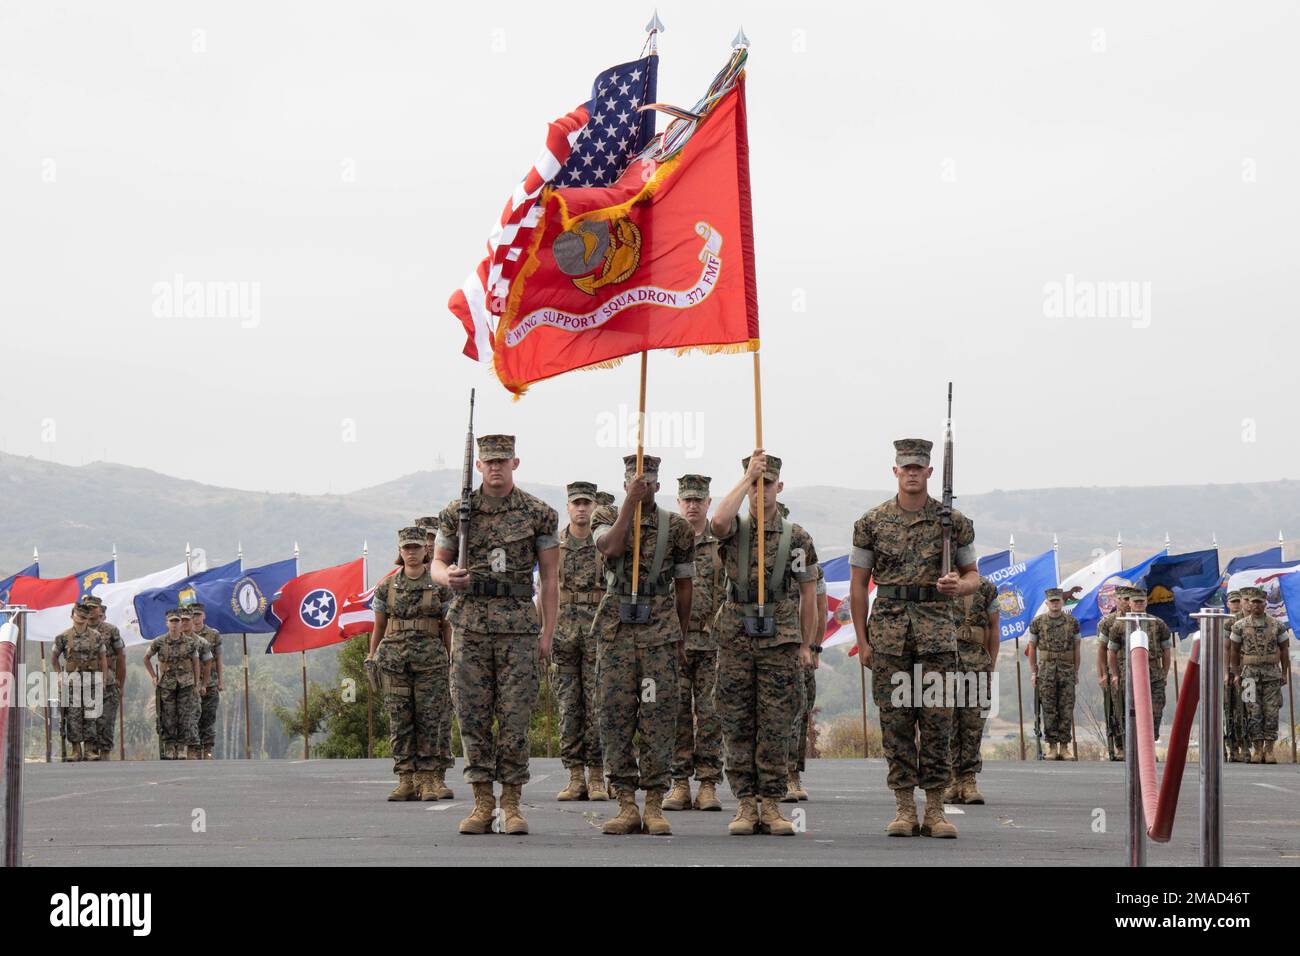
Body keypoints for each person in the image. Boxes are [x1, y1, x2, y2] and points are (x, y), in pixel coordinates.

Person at [851, 438, 978, 839]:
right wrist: (863, 640)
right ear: (895, 471)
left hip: (937, 633)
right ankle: (905, 808)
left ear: (928, 473)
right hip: (889, 635)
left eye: (917, 467)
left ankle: (936, 810)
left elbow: (974, 574)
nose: (911, 472)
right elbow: (857, 588)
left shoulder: (953, 523)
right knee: (897, 722)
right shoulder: (870, 522)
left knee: (938, 721)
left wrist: (959, 585)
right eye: (904, 466)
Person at [432, 434, 559, 835]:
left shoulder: (538, 513)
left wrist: (548, 633)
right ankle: (482, 802)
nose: (495, 467)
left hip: (519, 627)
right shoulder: (457, 512)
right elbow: (438, 562)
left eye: (502, 460)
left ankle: (512, 803)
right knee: (472, 715)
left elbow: (552, 580)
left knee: (515, 717)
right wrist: (447, 577)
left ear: (515, 463)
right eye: (489, 461)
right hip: (469, 624)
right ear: (478, 466)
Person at [710, 451, 818, 836]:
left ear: (779, 487)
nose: (760, 492)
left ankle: (770, 803)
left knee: (775, 723)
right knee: (736, 719)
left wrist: (808, 645)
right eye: (754, 485)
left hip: (779, 638)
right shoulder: (735, 528)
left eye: (766, 484)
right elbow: (717, 521)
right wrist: (745, 479)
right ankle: (744, 803)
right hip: (736, 636)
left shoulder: (797, 537)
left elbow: (808, 593)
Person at [591, 455, 694, 835]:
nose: (644, 485)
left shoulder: (677, 528)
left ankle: (653, 802)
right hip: (616, 629)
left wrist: (680, 635)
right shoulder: (608, 516)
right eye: (637, 481)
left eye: (649, 480)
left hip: (658, 630)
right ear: (625, 484)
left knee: (658, 717)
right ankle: (624, 803)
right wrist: (629, 506)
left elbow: (685, 586)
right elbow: (611, 548)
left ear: (659, 484)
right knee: (615, 715)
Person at [369, 527, 455, 801]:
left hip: (431, 663)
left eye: (416, 547)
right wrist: (372, 658)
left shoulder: (439, 585)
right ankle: (406, 779)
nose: (411, 552)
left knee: (430, 721)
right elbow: (379, 626)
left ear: (426, 550)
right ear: (400, 550)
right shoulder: (387, 586)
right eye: (406, 548)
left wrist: (452, 659)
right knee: (400, 721)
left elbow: (447, 626)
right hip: (395, 663)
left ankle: (429, 780)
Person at [664, 473, 724, 812]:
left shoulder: (721, 540)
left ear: (708, 503)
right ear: (678, 502)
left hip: (713, 641)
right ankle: (679, 783)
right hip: (676, 639)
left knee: (711, 713)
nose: (692, 505)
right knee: (676, 712)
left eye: (698, 500)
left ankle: (708, 784)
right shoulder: (671, 539)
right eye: (687, 499)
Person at [552, 481, 608, 802]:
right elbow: (545, 591)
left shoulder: (603, 545)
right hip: (563, 637)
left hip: (597, 635)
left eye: (587, 502)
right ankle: (575, 775)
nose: (582, 508)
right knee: (568, 706)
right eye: (577, 503)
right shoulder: (555, 546)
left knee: (597, 705)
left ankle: (597, 774)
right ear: (569, 507)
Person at [782, 502, 825, 804]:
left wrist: (813, 646)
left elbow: (818, 606)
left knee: (797, 711)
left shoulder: (801, 557)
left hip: (798, 643)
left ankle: (791, 773)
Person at [946, 575, 999, 803]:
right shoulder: (938, 583)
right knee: (945, 722)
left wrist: (991, 664)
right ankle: (951, 779)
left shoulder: (987, 588)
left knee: (973, 723)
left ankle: (968, 780)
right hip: (943, 662)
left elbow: (993, 627)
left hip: (976, 662)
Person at [1230, 586, 1291, 764]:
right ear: (1249, 604)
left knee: (1271, 712)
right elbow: (1234, 651)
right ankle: (1257, 749)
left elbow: (1285, 651)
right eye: (1253, 602)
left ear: (1265, 604)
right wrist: (1236, 674)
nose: (1256, 606)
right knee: (1253, 712)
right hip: (1249, 675)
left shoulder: (1277, 625)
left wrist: (1285, 672)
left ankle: (1269, 750)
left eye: (1259, 603)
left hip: (1272, 675)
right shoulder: (1239, 626)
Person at [1106, 587, 1171, 743]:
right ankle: (1132, 746)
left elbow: (1166, 650)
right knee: (1130, 710)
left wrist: (1164, 672)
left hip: (1154, 674)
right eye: (1136, 601)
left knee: (1155, 710)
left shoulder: (1158, 623)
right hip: (1129, 674)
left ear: (1146, 602)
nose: (1139, 604)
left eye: (1142, 601)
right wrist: (1114, 674)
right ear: (1130, 603)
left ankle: (1149, 744)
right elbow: (1111, 652)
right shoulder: (1120, 625)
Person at [143, 607, 204, 759]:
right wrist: (153, 677)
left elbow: (196, 662)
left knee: (185, 716)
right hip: (167, 684)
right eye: (172, 621)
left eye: (177, 621)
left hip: (186, 684)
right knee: (168, 716)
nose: (175, 624)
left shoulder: (190, 642)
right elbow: (146, 658)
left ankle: (182, 748)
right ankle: (170, 747)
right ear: (167, 623)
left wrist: (197, 683)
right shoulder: (159, 641)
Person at [51, 601, 108, 762]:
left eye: (84, 616)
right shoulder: (63, 636)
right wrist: (59, 675)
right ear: (72, 616)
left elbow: (103, 659)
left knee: (91, 714)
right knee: (73, 715)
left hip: (91, 680)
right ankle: (76, 750)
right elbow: (54, 658)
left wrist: (103, 679)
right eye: (78, 615)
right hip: (72, 681)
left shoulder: (96, 636)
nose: (81, 618)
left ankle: (89, 750)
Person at [1027, 587, 1079, 763]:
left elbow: (1077, 648)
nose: (1055, 603)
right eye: (1052, 601)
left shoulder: (1072, 622)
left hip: (1066, 670)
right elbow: (1032, 649)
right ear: (1047, 603)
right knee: (1049, 709)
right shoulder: (1037, 622)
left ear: (1062, 602)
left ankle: (1064, 747)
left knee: (1066, 708)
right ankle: (1052, 747)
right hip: (1046, 670)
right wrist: (1034, 672)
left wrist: (1076, 671)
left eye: (1058, 600)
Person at [83, 595, 125, 760]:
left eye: (94, 607)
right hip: (85, 682)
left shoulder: (111, 630)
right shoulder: (79, 630)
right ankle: (90, 751)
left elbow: (121, 658)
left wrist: (120, 682)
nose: (91, 611)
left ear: (100, 610)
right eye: (87, 608)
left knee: (106, 720)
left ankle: (105, 752)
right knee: (89, 719)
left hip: (108, 681)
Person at [1095, 584, 1132, 760]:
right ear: (1116, 600)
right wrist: (1102, 674)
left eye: (1129, 599)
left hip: (1136, 671)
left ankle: (1140, 747)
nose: (1126, 602)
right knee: (1116, 709)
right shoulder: (1108, 622)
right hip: (1116, 671)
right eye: (1123, 599)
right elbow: (1101, 651)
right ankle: (1121, 747)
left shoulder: (1139, 619)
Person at [190, 603, 222, 759]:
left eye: (198, 615)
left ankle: (207, 749)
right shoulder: (186, 635)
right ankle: (195, 750)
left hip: (210, 682)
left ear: (204, 616)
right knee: (193, 717)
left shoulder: (213, 634)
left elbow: (219, 659)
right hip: (191, 684)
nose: (196, 619)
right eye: (193, 615)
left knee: (208, 717)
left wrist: (221, 681)